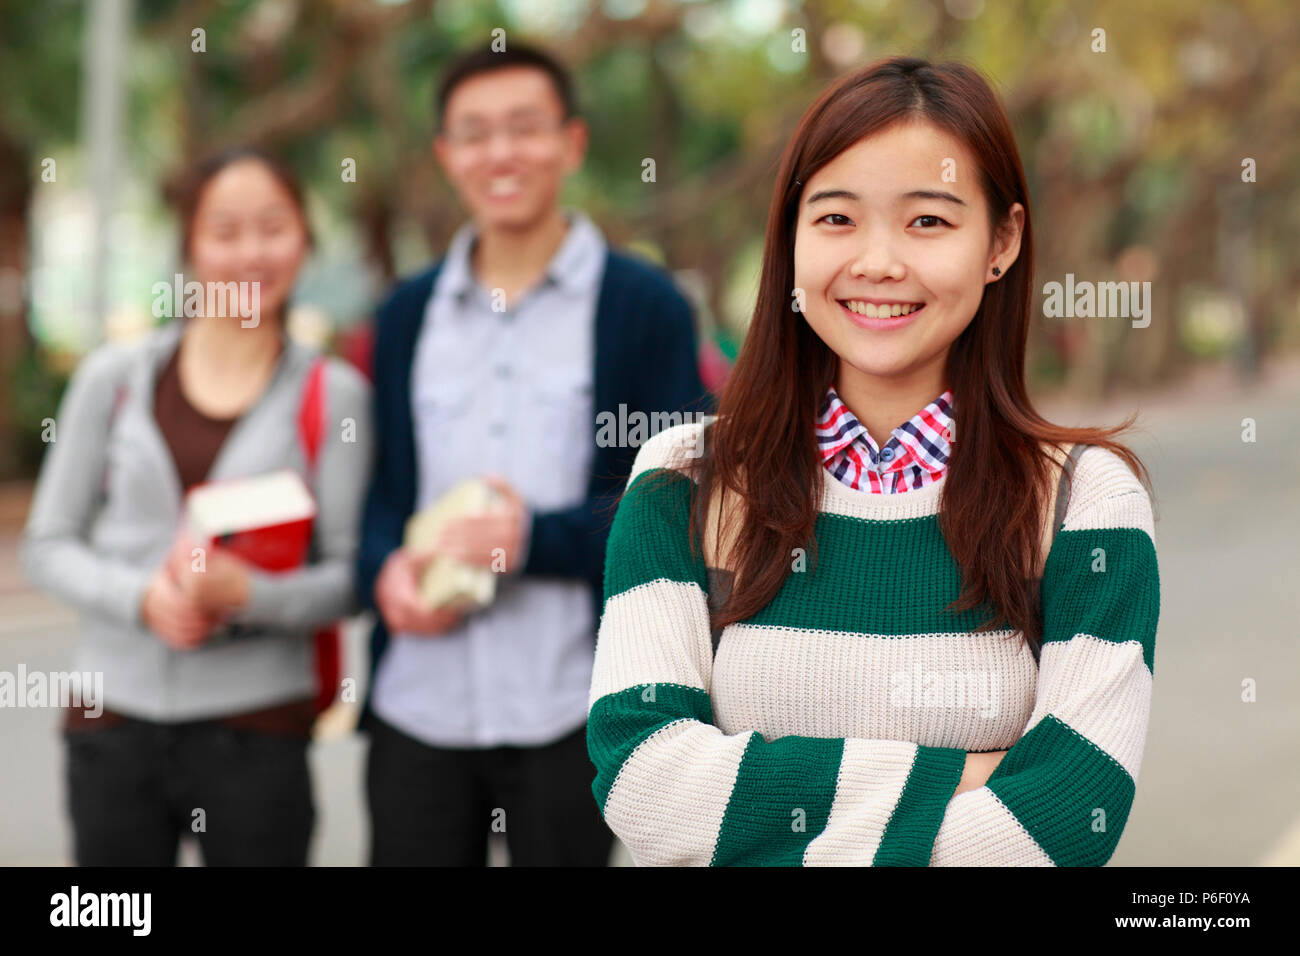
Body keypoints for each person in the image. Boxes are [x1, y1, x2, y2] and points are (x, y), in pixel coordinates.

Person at [588, 56, 1161, 866]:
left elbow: (1068, 818)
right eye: (836, 219)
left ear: (1002, 241)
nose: (879, 262)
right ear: (790, 238)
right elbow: (644, 784)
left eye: (928, 221)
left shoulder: (1086, 502)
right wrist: (967, 776)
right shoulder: (683, 481)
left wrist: (755, 809)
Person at [357, 43, 711, 867]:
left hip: (572, 712)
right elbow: (381, 496)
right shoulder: (405, 315)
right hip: (418, 709)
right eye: (474, 134)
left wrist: (531, 542)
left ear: (572, 142)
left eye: (525, 127)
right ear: (446, 157)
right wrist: (384, 575)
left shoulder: (644, 305)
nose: (500, 153)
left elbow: (676, 505)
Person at [22, 146, 372, 866]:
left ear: (306, 240)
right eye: (225, 230)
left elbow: (348, 576)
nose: (250, 252)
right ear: (189, 245)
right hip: (110, 719)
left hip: (258, 730)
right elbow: (48, 543)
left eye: (273, 227)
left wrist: (252, 594)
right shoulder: (113, 378)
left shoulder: (333, 396)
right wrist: (141, 597)